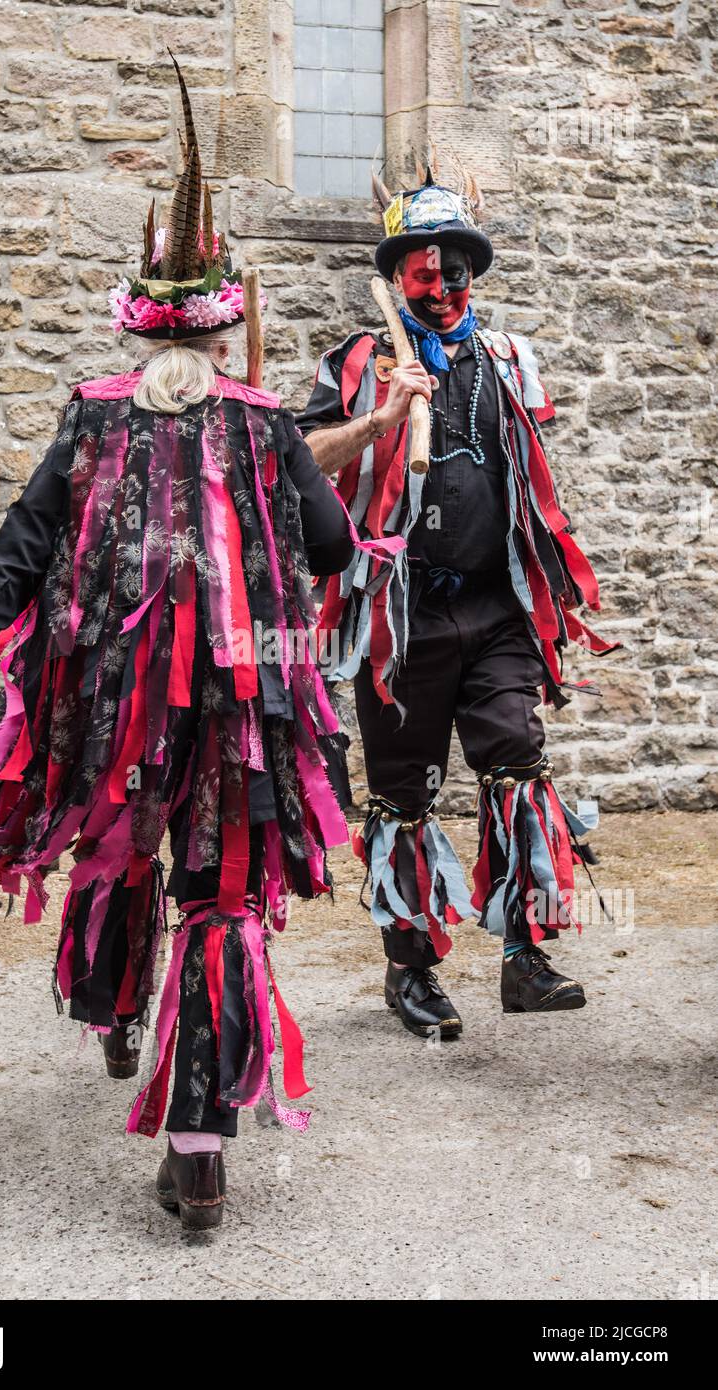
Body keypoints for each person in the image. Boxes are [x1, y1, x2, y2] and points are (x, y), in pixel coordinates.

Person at [0, 57, 394, 1231]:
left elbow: (29, 531)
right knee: (216, 891)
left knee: (121, 846)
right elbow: (336, 546)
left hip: (104, 708)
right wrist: (334, 547)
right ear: (224, 321)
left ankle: (116, 1011)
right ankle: (199, 1150)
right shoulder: (261, 423)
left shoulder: (94, 409)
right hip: (242, 718)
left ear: (137, 332)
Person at [296, 155, 619, 1040]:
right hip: (400, 617)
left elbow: (530, 477)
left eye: (457, 265)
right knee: (405, 790)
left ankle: (525, 954)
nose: (442, 283)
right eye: (423, 268)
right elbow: (299, 469)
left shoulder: (510, 360)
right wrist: (381, 419)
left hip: (497, 606)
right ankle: (412, 972)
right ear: (394, 276)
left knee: (517, 761)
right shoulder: (358, 364)